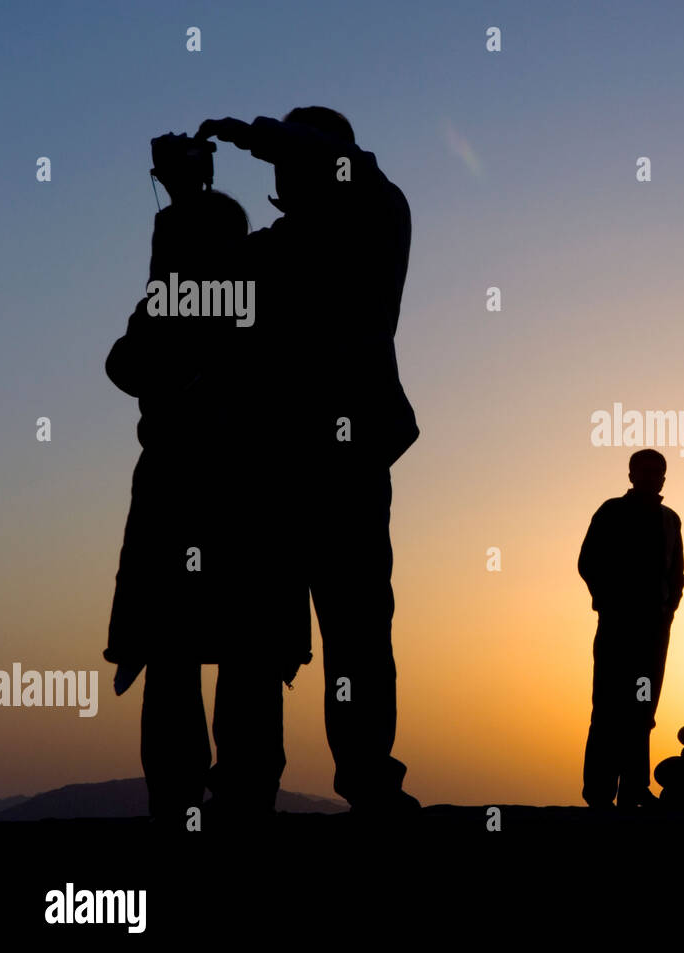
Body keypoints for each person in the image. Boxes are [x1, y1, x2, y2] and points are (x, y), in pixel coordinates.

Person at [196, 107, 421, 814]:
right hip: (268, 471)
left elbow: (349, 170)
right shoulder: (264, 254)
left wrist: (254, 132)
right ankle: (245, 783)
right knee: (256, 635)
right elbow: (191, 305)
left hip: (344, 465)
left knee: (354, 628)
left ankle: (365, 777)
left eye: (302, 158)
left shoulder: (376, 219)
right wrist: (188, 204)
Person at [105, 171, 311, 826]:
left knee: (197, 654)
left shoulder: (239, 297)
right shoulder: (233, 297)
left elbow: (127, 362)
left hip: (224, 498)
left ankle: (205, 798)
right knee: (203, 654)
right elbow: (128, 362)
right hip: (231, 500)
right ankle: (218, 798)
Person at [578, 450, 684, 808]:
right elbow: (588, 561)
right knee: (609, 706)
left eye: (659, 471)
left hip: (654, 632)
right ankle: (598, 792)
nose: (653, 476)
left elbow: (677, 574)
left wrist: (668, 608)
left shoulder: (671, 520)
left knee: (642, 709)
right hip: (617, 628)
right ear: (631, 474)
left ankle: (634, 790)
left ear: (664, 478)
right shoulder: (611, 512)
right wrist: (608, 601)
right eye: (646, 470)